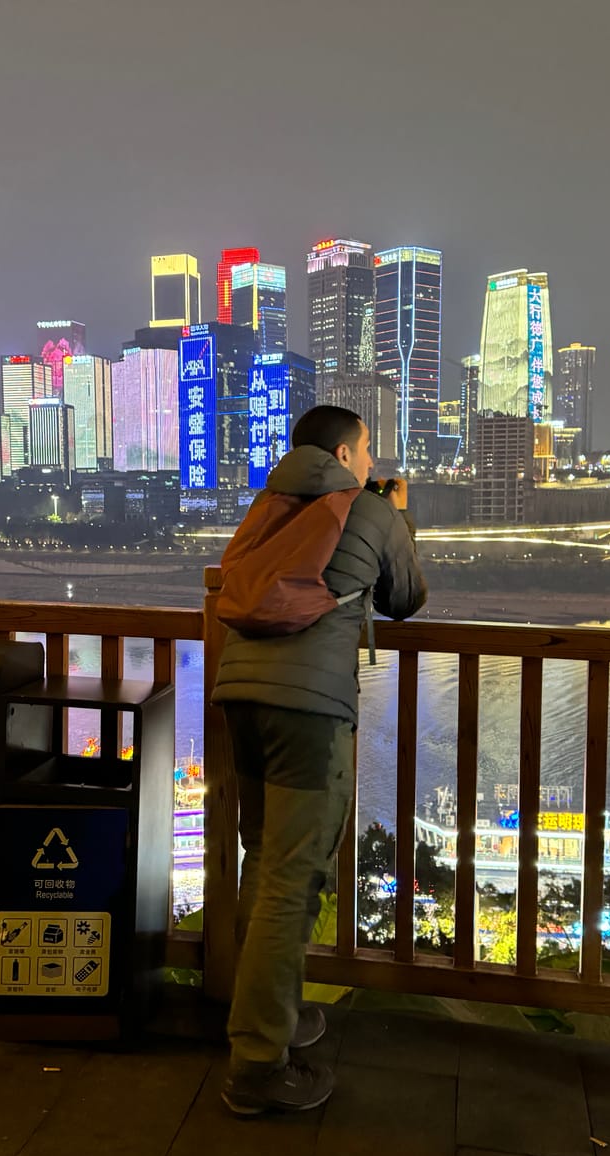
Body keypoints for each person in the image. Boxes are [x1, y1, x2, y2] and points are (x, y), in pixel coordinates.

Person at [211, 405, 427, 1116]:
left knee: (261, 858)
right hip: (309, 709)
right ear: (343, 450)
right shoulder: (366, 510)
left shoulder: (267, 502)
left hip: (240, 697)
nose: (370, 462)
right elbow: (406, 598)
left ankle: (269, 1016)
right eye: (366, 450)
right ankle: (256, 1063)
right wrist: (397, 514)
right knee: (291, 875)